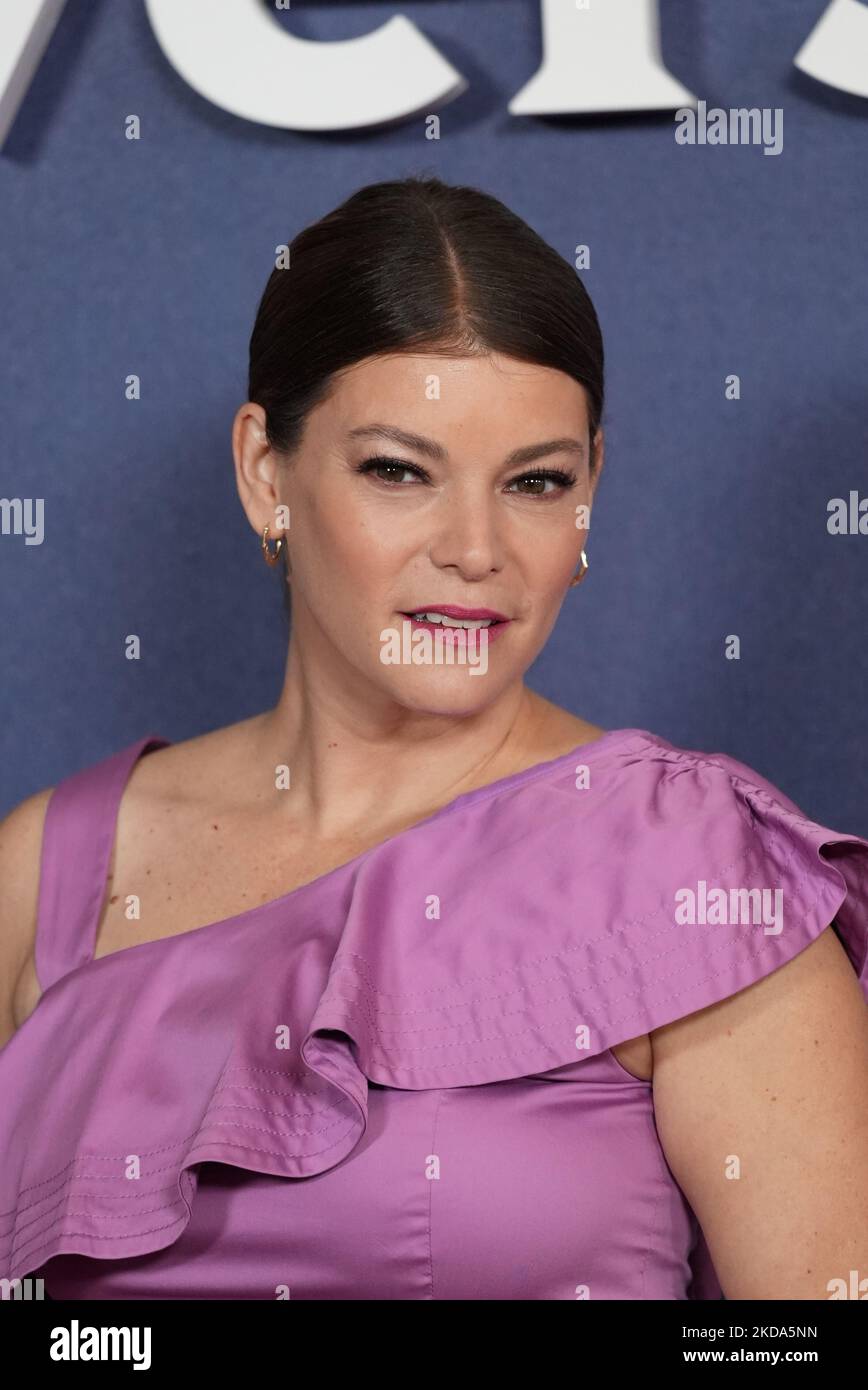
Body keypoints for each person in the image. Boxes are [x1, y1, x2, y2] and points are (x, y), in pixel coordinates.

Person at [1, 176, 866, 1301]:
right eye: (399, 470)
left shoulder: (696, 869)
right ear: (267, 470)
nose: (475, 548)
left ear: (590, 491)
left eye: (537, 483)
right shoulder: (51, 865)